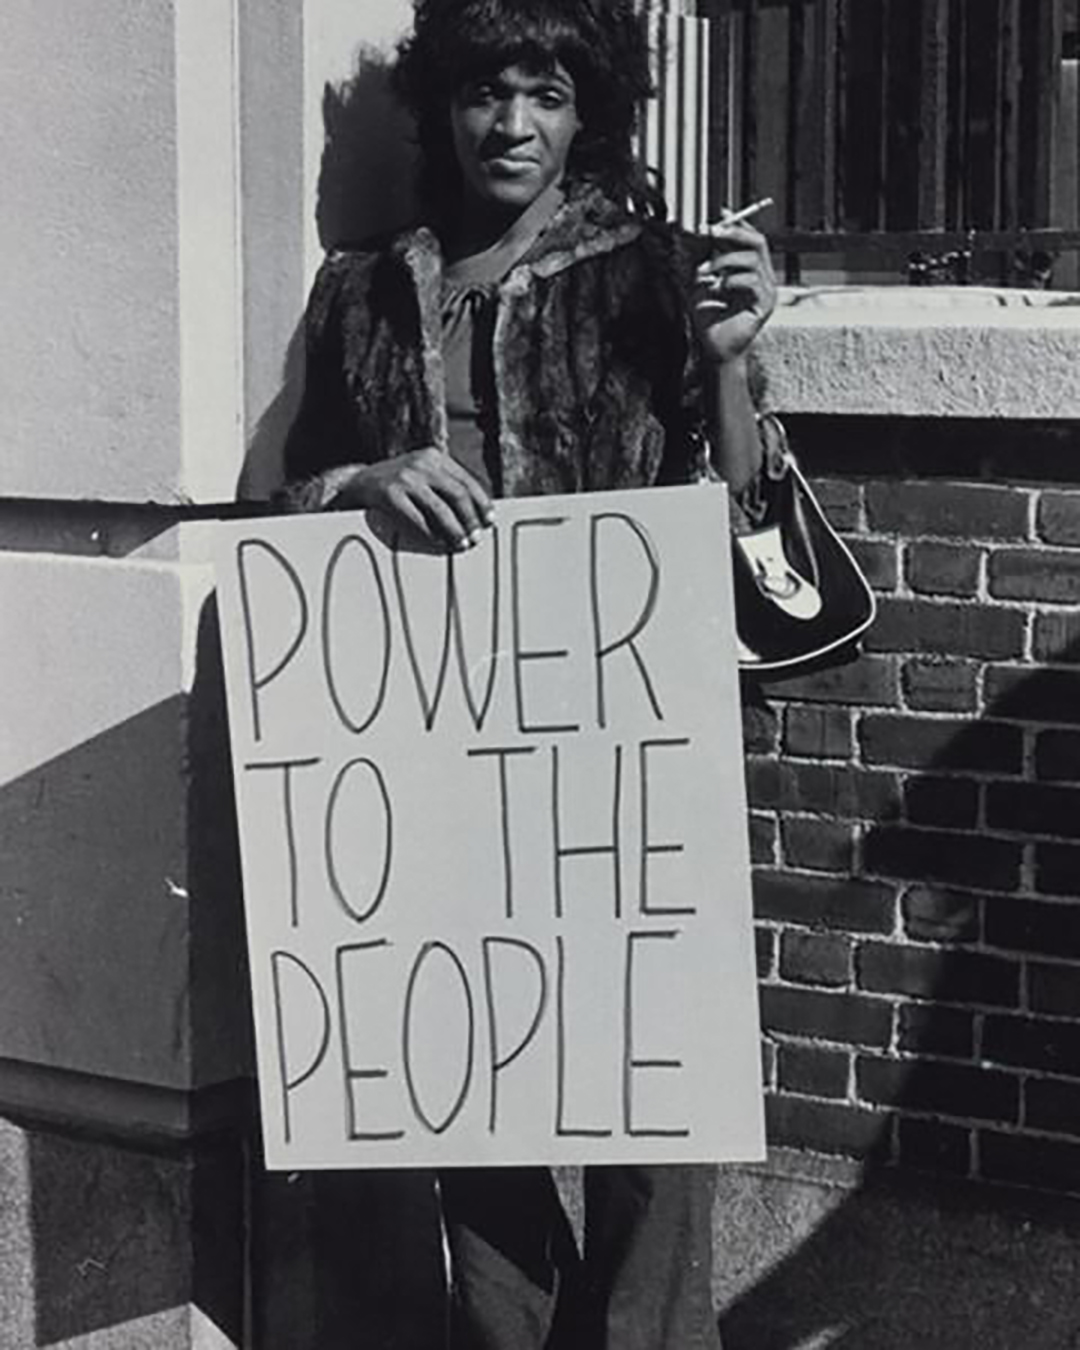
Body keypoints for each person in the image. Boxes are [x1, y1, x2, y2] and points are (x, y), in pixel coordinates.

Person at [279, 1, 777, 1345]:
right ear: (444, 108)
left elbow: (747, 531)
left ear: (587, 108)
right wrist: (359, 482)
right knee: (474, 1083)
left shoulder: (658, 272)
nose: (513, 124)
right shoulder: (367, 289)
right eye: (488, 93)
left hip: (618, 746)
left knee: (648, 1106)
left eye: (545, 94)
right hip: (438, 747)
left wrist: (733, 374)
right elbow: (291, 502)